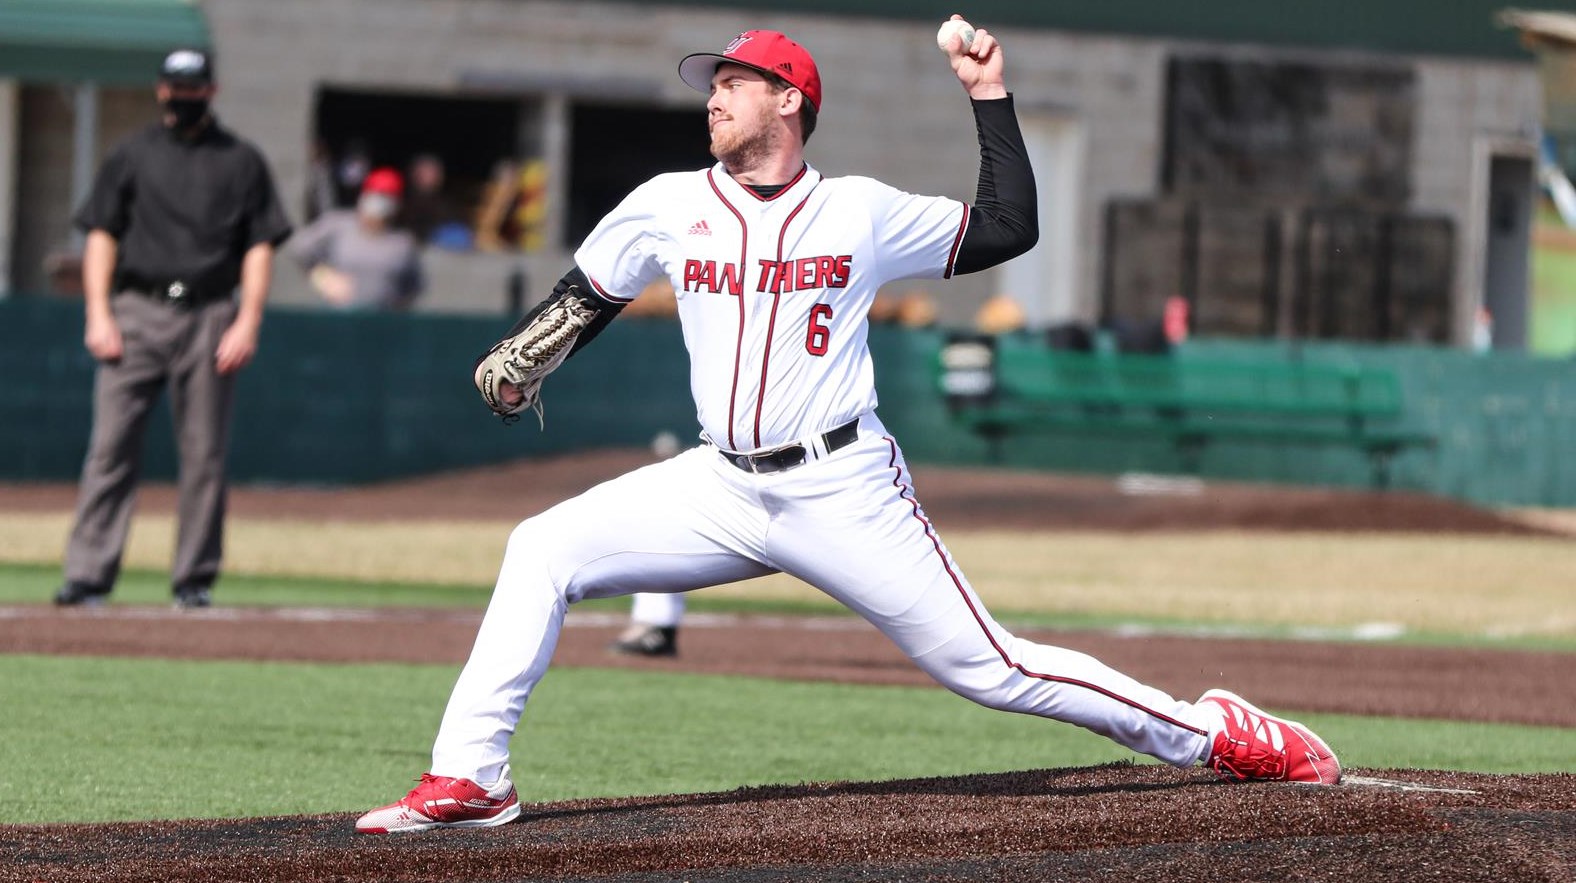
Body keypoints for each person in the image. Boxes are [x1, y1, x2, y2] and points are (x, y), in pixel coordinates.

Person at [356, 19, 1340, 835]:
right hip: (719, 484)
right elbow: (588, 295)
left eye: (733, 83)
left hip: (840, 486)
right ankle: (472, 775)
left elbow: (1007, 227)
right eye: (712, 86)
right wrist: (531, 354)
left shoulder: (858, 211)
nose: (713, 99)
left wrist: (989, 95)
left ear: (789, 100)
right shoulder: (666, 203)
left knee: (991, 669)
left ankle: (1211, 731)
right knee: (540, 547)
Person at [52, 48, 292, 610]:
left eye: (193, 89)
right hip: (137, 310)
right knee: (110, 448)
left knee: (204, 454)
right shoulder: (131, 154)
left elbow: (260, 245)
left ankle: (194, 579)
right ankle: (87, 574)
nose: (183, 98)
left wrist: (248, 319)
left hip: (210, 314)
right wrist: (98, 312)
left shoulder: (241, 160)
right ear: (162, 90)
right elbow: (101, 234)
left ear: (211, 91)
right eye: (175, 88)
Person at [288, 167, 425, 311]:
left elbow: (414, 286)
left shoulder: (402, 243)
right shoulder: (337, 224)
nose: (379, 203)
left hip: (381, 318)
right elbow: (299, 249)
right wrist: (324, 279)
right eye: (377, 194)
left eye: (387, 197)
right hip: (337, 315)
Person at [608, 592, 685, 657]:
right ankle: (662, 634)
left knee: (652, 578)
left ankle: (654, 631)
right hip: (667, 627)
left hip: (654, 624)